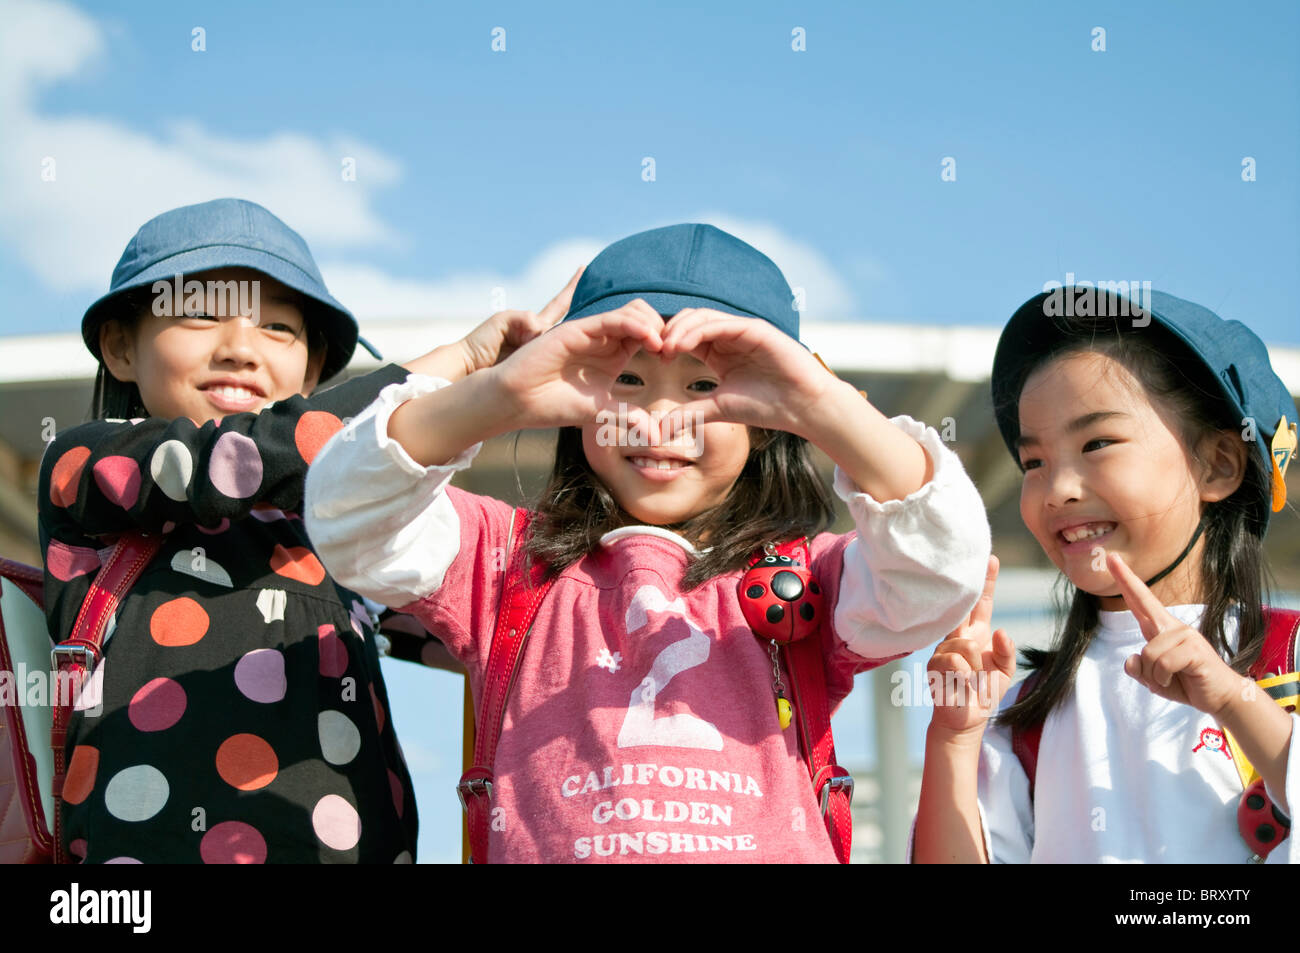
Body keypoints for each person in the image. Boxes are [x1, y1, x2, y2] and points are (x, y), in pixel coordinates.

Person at [305, 223, 992, 863]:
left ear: (770, 415)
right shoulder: (504, 561)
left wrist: (822, 405)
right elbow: (347, 515)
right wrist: (499, 395)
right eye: (626, 381)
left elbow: (940, 569)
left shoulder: (803, 580)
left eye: (705, 387)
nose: (661, 419)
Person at [38, 197, 574, 862]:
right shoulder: (90, 464)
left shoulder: (345, 523)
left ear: (314, 371)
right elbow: (254, 454)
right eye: (199, 313)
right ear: (120, 347)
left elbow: (495, 629)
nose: (238, 348)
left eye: (278, 330)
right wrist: (461, 366)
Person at [913, 286, 1299, 864]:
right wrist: (953, 738)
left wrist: (1235, 698)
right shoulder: (1027, 710)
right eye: (1035, 462)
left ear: (1220, 464)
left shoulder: (1287, 655)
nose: (1058, 489)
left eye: (1097, 443)